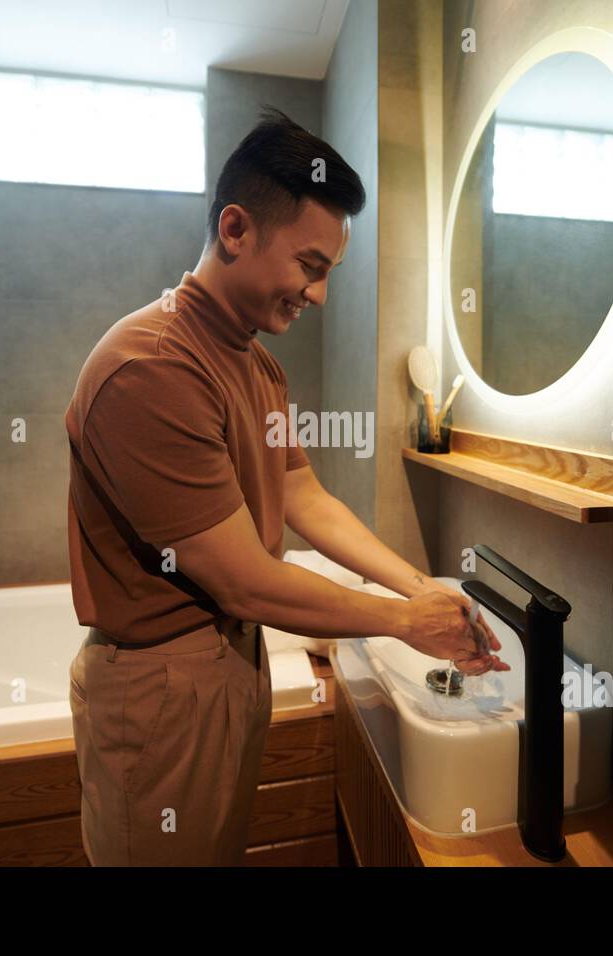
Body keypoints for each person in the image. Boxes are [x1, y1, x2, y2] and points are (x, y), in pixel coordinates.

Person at [64, 106, 507, 866]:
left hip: (229, 664)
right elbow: (244, 583)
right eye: (311, 266)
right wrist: (404, 624)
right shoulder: (154, 367)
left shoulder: (253, 360)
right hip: (162, 686)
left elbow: (306, 499)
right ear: (236, 230)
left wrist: (416, 590)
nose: (320, 294)